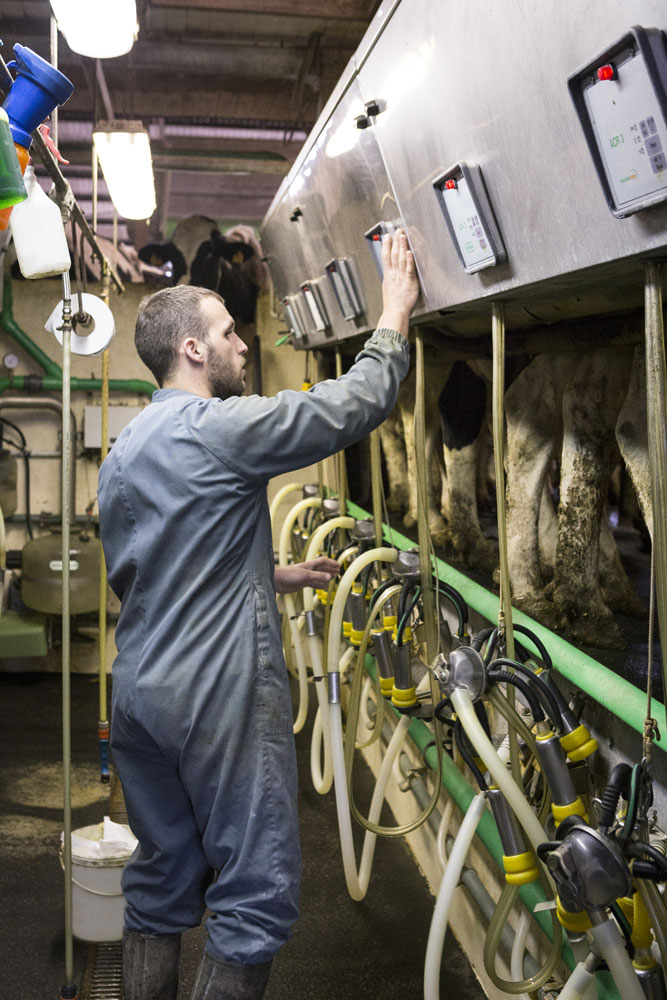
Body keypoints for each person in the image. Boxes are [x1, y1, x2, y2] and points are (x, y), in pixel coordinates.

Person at [97, 230, 419, 1000]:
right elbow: (349, 406)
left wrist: (269, 573)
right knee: (254, 894)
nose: (243, 343)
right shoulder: (219, 430)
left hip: (141, 695)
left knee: (162, 875)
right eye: (229, 332)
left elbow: (156, 562)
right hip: (220, 698)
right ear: (192, 350)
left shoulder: (126, 448)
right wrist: (395, 314)